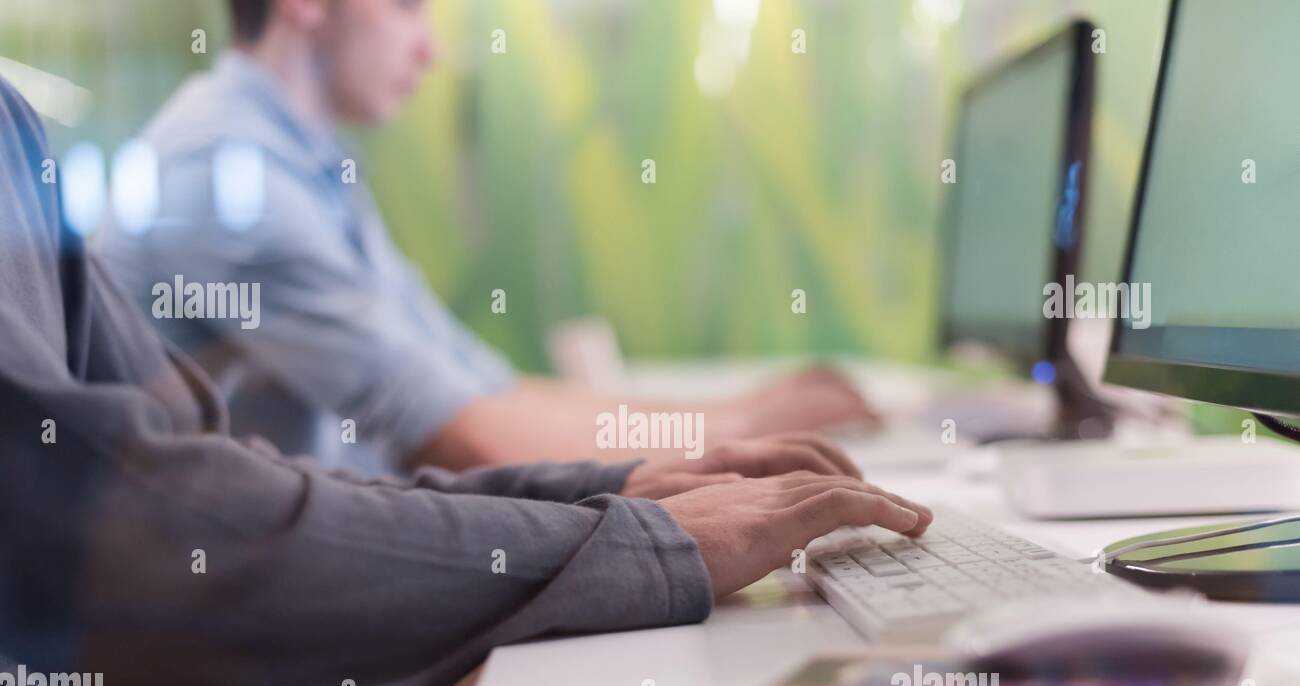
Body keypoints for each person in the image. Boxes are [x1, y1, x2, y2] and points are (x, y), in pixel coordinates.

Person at [0, 80, 930, 686]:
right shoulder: (224, 170)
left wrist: (623, 487)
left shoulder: (37, 128)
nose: (430, 38)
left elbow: (233, 467)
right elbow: (163, 534)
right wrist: (657, 518)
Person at [94, 0, 880, 477]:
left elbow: (482, 388)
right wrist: (745, 432)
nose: (431, 47)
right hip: (224, 656)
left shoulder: (307, 162)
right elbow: (472, 438)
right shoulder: (230, 179)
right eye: (408, 5)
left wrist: (742, 411)